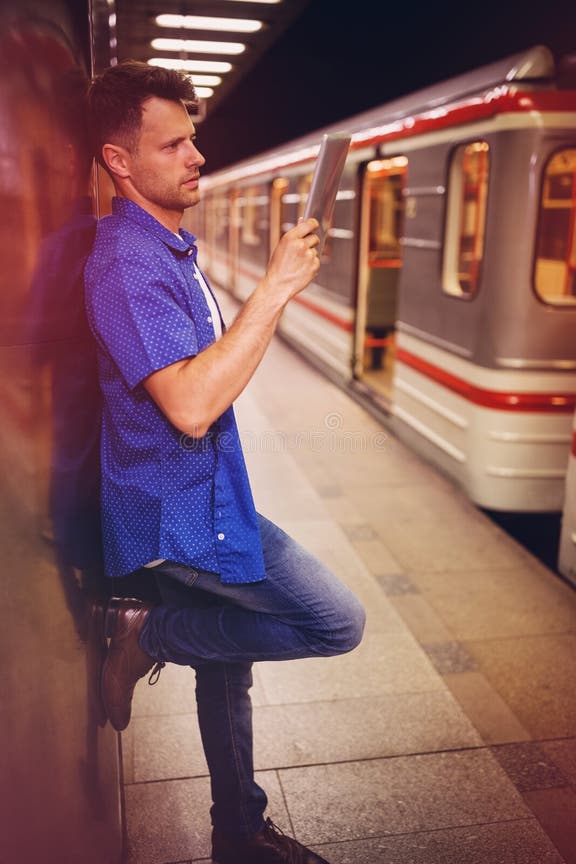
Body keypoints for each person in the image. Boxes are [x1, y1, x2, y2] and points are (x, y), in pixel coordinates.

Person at [84, 61, 366, 864]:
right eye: (172, 145)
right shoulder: (127, 266)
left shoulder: (167, 248)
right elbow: (192, 404)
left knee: (231, 656)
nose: (196, 156)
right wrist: (274, 290)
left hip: (204, 494)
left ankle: (237, 832)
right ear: (119, 161)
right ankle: (148, 636)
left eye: (194, 140)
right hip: (176, 513)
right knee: (334, 619)